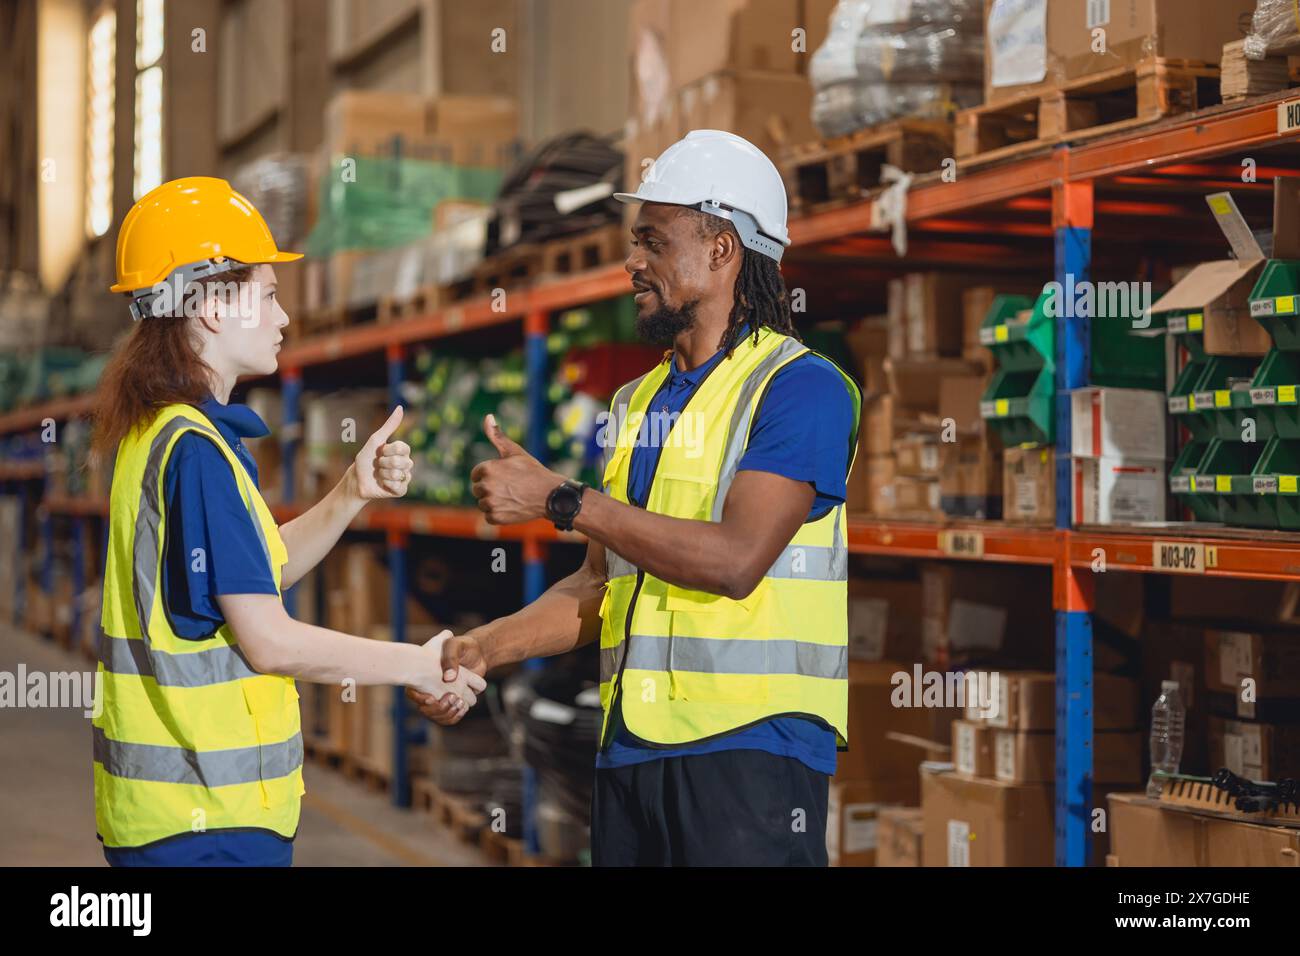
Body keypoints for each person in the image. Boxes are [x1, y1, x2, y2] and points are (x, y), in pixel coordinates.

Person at [410, 130, 862, 866]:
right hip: (631, 749)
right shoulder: (635, 403)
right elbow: (600, 584)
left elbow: (736, 561)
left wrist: (562, 498)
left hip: (749, 755)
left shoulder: (801, 388)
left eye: (653, 242)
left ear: (723, 250)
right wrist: (484, 648)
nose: (633, 263)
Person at [92, 177, 484, 867]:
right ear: (212, 306)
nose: (283, 319)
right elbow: (268, 641)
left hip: (174, 818)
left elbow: (252, 573)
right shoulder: (196, 453)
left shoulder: (166, 436)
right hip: (207, 824)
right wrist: (418, 663)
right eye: (268, 296)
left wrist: (348, 493)